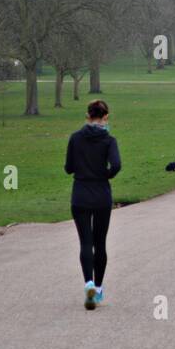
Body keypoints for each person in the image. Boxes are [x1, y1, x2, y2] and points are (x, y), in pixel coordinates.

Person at [64, 99, 121, 310]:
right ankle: (97, 289)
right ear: (105, 117)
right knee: (100, 243)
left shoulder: (75, 138)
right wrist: (104, 175)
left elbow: (69, 168)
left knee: (85, 243)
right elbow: (116, 165)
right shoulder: (109, 141)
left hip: (80, 195)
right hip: (101, 196)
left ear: (87, 115)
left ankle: (88, 283)